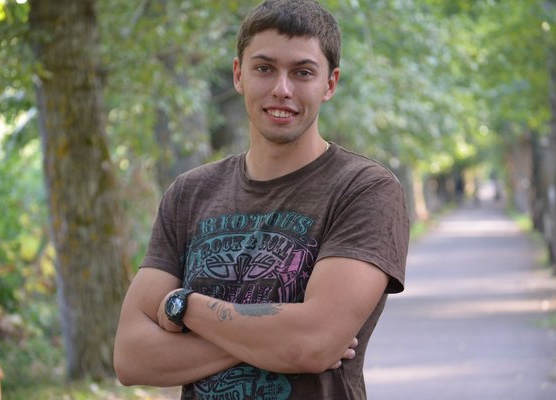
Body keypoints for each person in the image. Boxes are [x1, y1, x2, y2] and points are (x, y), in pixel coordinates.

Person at [113, 0, 410, 398]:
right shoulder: (189, 193)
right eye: (264, 68)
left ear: (330, 84)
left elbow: (313, 343)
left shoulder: (364, 189)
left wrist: (184, 306)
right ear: (239, 74)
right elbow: (131, 358)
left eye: (302, 72)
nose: (281, 89)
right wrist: (280, 342)